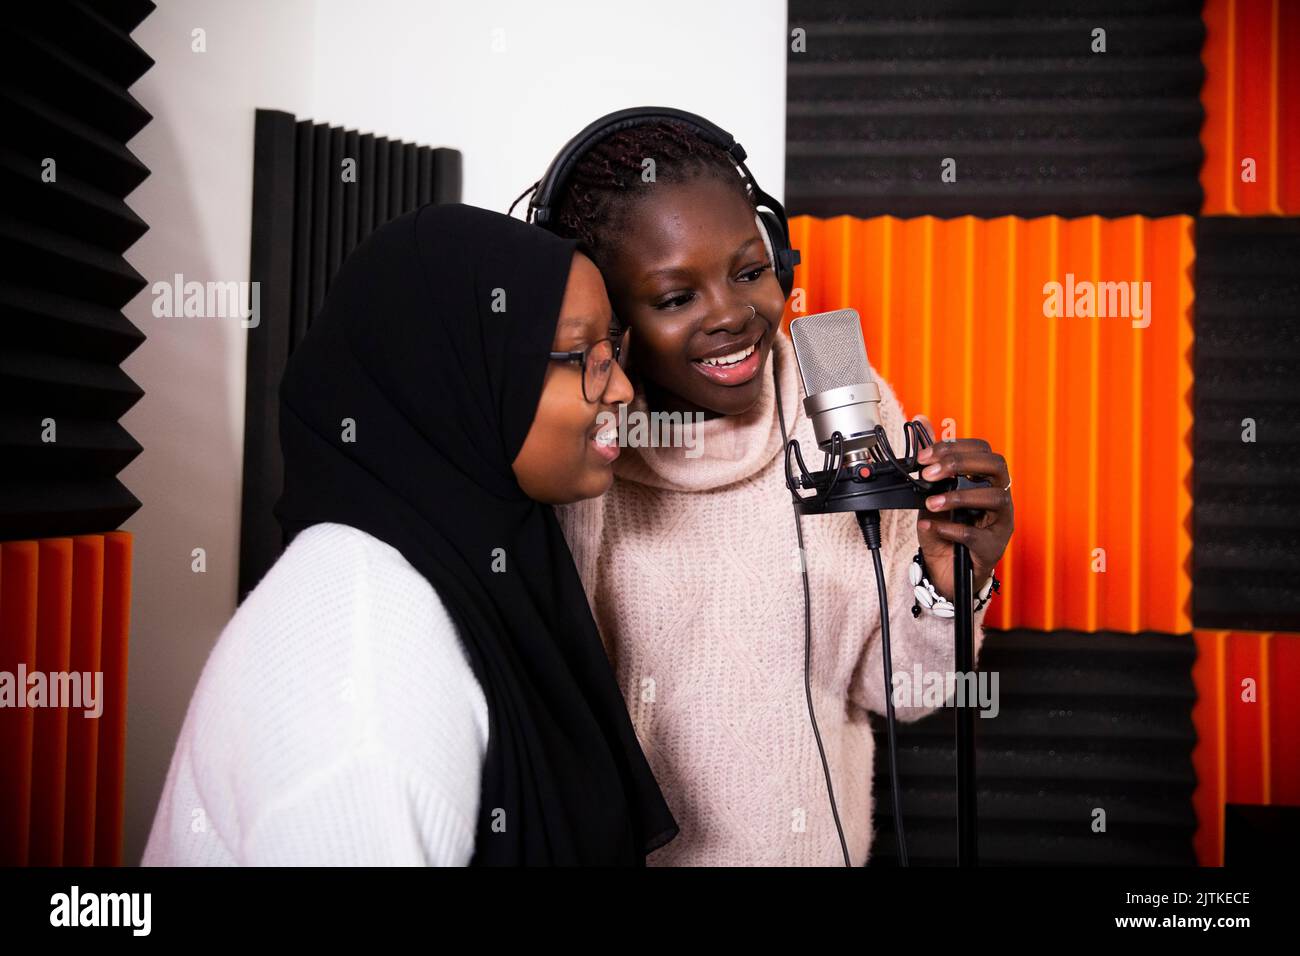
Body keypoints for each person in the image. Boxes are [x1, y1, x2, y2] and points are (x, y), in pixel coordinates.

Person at [521, 114, 1014, 865]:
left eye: (750, 271)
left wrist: (948, 580)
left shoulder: (846, 397)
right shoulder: (573, 453)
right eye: (675, 297)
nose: (732, 315)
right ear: (610, 318)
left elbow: (903, 691)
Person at [143, 203, 677, 865]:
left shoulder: (468, 559)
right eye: (581, 356)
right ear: (452, 377)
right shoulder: (363, 679)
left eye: (614, 350)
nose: (621, 386)